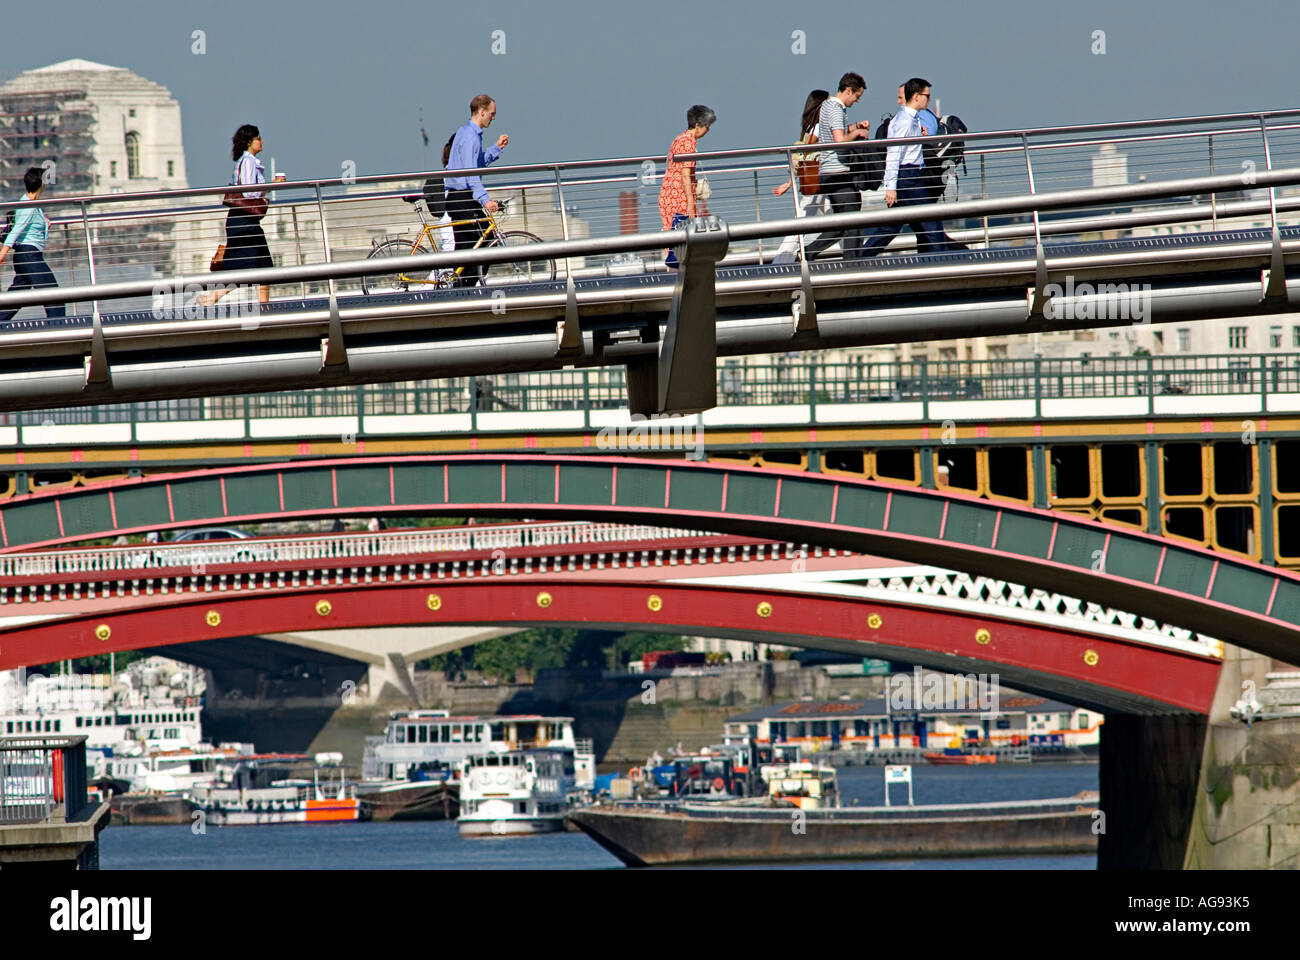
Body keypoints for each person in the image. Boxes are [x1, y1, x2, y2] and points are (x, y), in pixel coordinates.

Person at [858, 78, 950, 258]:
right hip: (908, 177)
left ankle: (859, 259)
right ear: (916, 96)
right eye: (927, 96)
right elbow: (894, 154)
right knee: (932, 222)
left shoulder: (911, 120)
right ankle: (943, 265)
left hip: (910, 174)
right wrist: (891, 187)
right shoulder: (904, 122)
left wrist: (920, 135)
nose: (928, 100)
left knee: (890, 226)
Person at [200, 124, 283, 306]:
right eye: (258, 138)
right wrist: (272, 185)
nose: (262, 141)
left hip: (247, 220)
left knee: (264, 266)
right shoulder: (248, 162)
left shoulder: (250, 161)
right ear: (249, 142)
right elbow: (249, 192)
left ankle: (264, 308)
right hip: (243, 220)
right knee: (244, 266)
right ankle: (211, 298)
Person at [802, 73, 873, 261]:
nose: (856, 101)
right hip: (838, 172)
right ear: (848, 90)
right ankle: (852, 266)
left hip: (829, 173)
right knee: (852, 222)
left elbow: (834, 131)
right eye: (857, 96)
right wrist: (857, 132)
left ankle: (808, 253)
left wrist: (854, 126)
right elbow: (839, 141)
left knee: (842, 224)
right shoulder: (835, 108)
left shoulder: (826, 106)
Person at [444, 95, 509, 288]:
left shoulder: (465, 133)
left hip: (458, 199)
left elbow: (475, 164)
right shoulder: (471, 137)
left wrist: (496, 149)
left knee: (465, 248)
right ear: (482, 112)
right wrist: (485, 200)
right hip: (463, 198)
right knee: (487, 243)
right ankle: (463, 290)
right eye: (492, 114)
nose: (493, 118)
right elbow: (471, 173)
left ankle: (457, 291)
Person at [771, 90, 831, 265]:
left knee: (841, 223)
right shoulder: (819, 127)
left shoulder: (808, 127)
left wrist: (789, 182)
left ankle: (854, 256)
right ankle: (780, 264)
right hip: (818, 183)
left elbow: (803, 156)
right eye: (827, 103)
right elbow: (807, 153)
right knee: (839, 223)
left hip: (814, 184)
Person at [0, 167, 66, 324]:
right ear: (41, 183)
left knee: (16, 298)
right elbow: (17, 229)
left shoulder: (32, 204)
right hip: (29, 255)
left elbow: (26, 227)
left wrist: (45, 223)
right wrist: (3, 253)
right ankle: (59, 331)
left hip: (26, 255)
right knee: (54, 296)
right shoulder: (28, 205)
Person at [657, 105, 716, 268]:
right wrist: (690, 203)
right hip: (678, 196)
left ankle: (679, 274)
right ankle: (681, 277)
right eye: (707, 126)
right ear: (697, 125)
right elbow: (684, 174)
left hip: (670, 194)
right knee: (683, 241)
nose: (708, 130)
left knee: (676, 240)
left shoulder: (680, 138)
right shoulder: (687, 143)